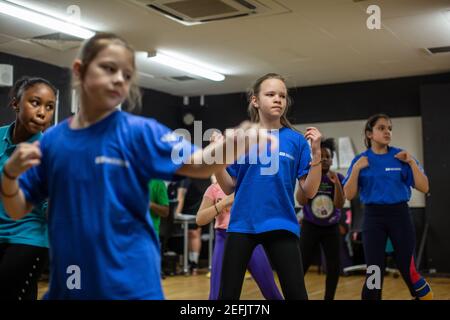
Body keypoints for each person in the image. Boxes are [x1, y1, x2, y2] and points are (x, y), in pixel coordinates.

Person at [0, 33, 276, 299]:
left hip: (130, 283)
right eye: (109, 68)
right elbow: (17, 208)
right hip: (73, 280)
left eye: (127, 75)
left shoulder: (140, 132)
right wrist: (11, 174)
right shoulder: (53, 142)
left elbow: (201, 163)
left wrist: (236, 142)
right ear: (80, 70)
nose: (119, 79)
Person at [214, 73, 322, 300]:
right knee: (227, 296)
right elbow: (228, 187)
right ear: (255, 100)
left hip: (281, 223)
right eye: (271, 94)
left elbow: (309, 192)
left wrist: (317, 154)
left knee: (296, 295)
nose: (278, 100)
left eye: (282, 96)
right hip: (242, 224)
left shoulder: (296, 140)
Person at [343, 113, 433, 300]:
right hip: (373, 217)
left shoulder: (401, 156)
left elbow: (424, 187)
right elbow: (349, 194)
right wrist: (357, 170)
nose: (387, 132)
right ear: (369, 134)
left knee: (407, 266)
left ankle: (422, 296)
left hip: (399, 215)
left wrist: (411, 162)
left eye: (389, 128)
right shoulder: (361, 160)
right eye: (382, 128)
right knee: (374, 268)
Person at [0, 76, 56, 300]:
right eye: (35, 103)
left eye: (49, 107)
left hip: (28, 237)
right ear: (15, 104)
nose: (42, 112)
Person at [196, 175, 283, 300]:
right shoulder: (214, 189)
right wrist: (224, 203)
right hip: (223, 238)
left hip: (250, 237)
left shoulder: (251, 184)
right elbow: (200, 219)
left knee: (270, 290)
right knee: (216, 294)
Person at [296, 138, 345, 300]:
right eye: (321, 156)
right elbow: (301, 201)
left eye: (327, 156)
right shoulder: (310, 176)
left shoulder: (337, 177)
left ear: (332, 159)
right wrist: (305, 179)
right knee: (301, 265)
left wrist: (337, 184)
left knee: (333, 267)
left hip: (331, 228)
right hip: (310, 226)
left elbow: (339, 205)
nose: (324, 159)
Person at [174, 177, 210, 275]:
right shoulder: (185, 178)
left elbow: (180, 197)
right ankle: (190, 263)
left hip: (196, 208)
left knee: (194, 233)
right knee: (191, 234)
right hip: (190, 207)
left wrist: (175, 214)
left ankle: (193, 264)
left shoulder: (187, 178)